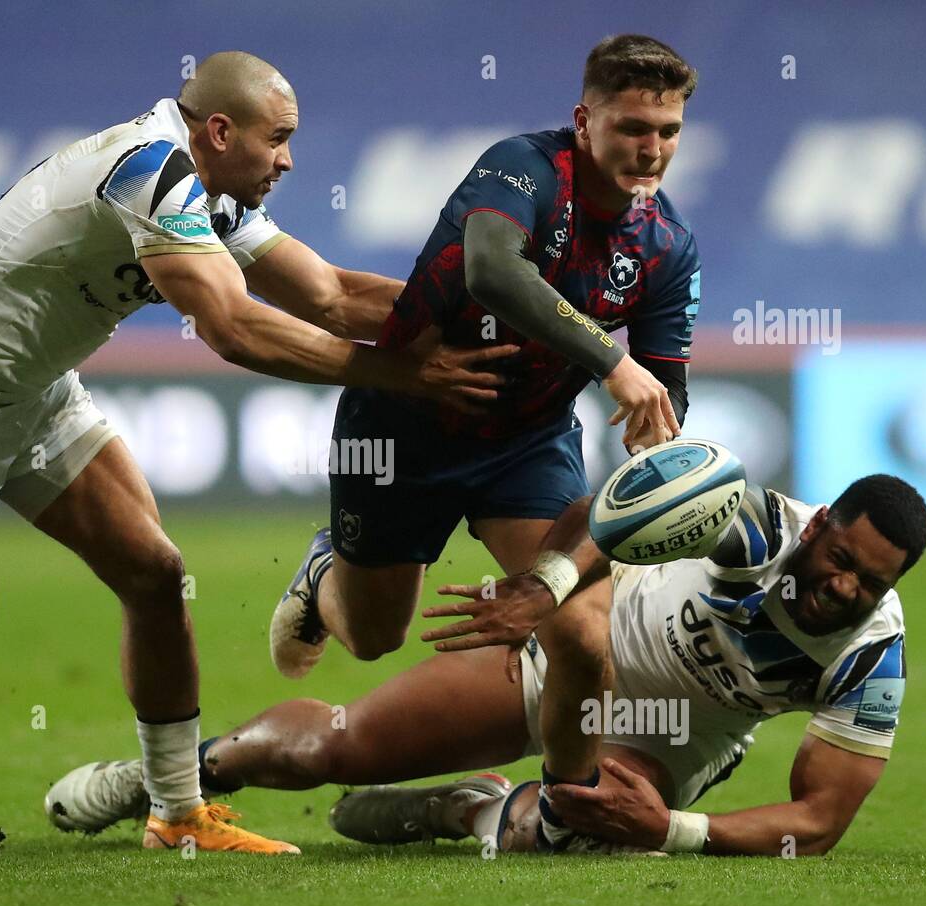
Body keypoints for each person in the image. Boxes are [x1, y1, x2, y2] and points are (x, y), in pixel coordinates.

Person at [0, 51, 515, 857]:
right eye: (277, 139)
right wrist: (404, 373)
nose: (288, 159)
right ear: (219, 130)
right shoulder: (149, 174)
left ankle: (176, 812)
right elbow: (230, 326)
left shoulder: (214, 195)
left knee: (155, 572)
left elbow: (332, 294)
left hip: (35, 394)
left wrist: (482, 312)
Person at [46, 475, 926, 858]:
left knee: (571, 836)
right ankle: (166, 779)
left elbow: (818, 821)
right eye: (839, 559)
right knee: (326, 752)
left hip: (669, 739)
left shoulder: (870, 654)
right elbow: (607, 508)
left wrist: (672, 829)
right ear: (816, 530)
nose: (840, 587)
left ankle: (465, 805)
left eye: (868, 581)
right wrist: (547, 586)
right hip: (578, 651)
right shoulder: (751, 524)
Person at [270, 34, 701, 681]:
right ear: (584, 122)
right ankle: (323, 571)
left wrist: (655, 461)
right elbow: (492, 270)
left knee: (584, 631)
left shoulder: (668, 247)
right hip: (403, 424)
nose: (653, 150)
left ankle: (569, 786)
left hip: (527, 442)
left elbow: (667, 402)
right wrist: (614, 361)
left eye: (668, 131)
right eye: (634, 127)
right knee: (372, 635)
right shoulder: (522, 168)